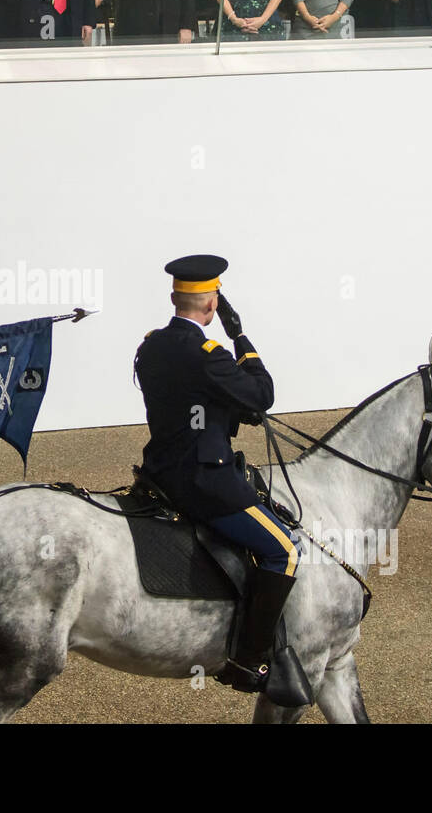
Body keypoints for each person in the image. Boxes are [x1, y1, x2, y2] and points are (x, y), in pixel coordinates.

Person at [133, 255, 312, 705]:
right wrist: (240, 336)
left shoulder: (150, 346)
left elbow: (184, 400)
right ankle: (250, 660)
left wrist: (225, 410)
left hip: (161, 472)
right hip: (204, 479)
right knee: (283, 550)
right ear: (212, 303)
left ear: (175, 298)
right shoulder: (209, 354)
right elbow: (262, 393)